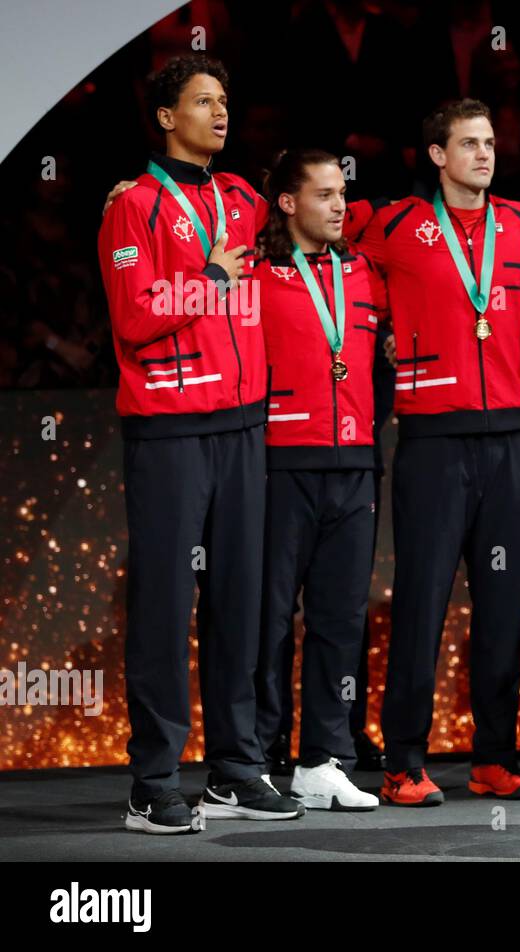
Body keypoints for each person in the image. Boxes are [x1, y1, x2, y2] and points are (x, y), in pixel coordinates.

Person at [97, 54, 303, 832]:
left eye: (224, 99)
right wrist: (213, 279)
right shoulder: (133, 208)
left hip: (245, 424)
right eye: (202, 101)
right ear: (163, 117)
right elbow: (137, 315)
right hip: (169, 431)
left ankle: (235, 768)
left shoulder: (245, 198)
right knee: (164, 605)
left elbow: (317, 212)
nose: (221, 112)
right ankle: (152, 781)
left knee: (238, 604)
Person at [348, 99, 520, 803]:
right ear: (436, 155)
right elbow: (331, 252)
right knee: (423, 602)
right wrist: (385, 333)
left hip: (514, 435)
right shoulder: (393, 223)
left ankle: (493, 757)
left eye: (490, 143)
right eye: (468, 144)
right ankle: (404, 760)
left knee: (502, 605)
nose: (484, 155)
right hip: (433, 437)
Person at [249, 148, 386, 810]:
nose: (339, 205)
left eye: (342, 194)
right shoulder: (253, 273)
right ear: (286, 202)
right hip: (281, 462)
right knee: (269, 618)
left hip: (356, 463)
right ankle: (258, 756)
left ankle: (324, 759)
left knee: (340, 621)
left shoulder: (362, 272)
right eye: (324, 194)